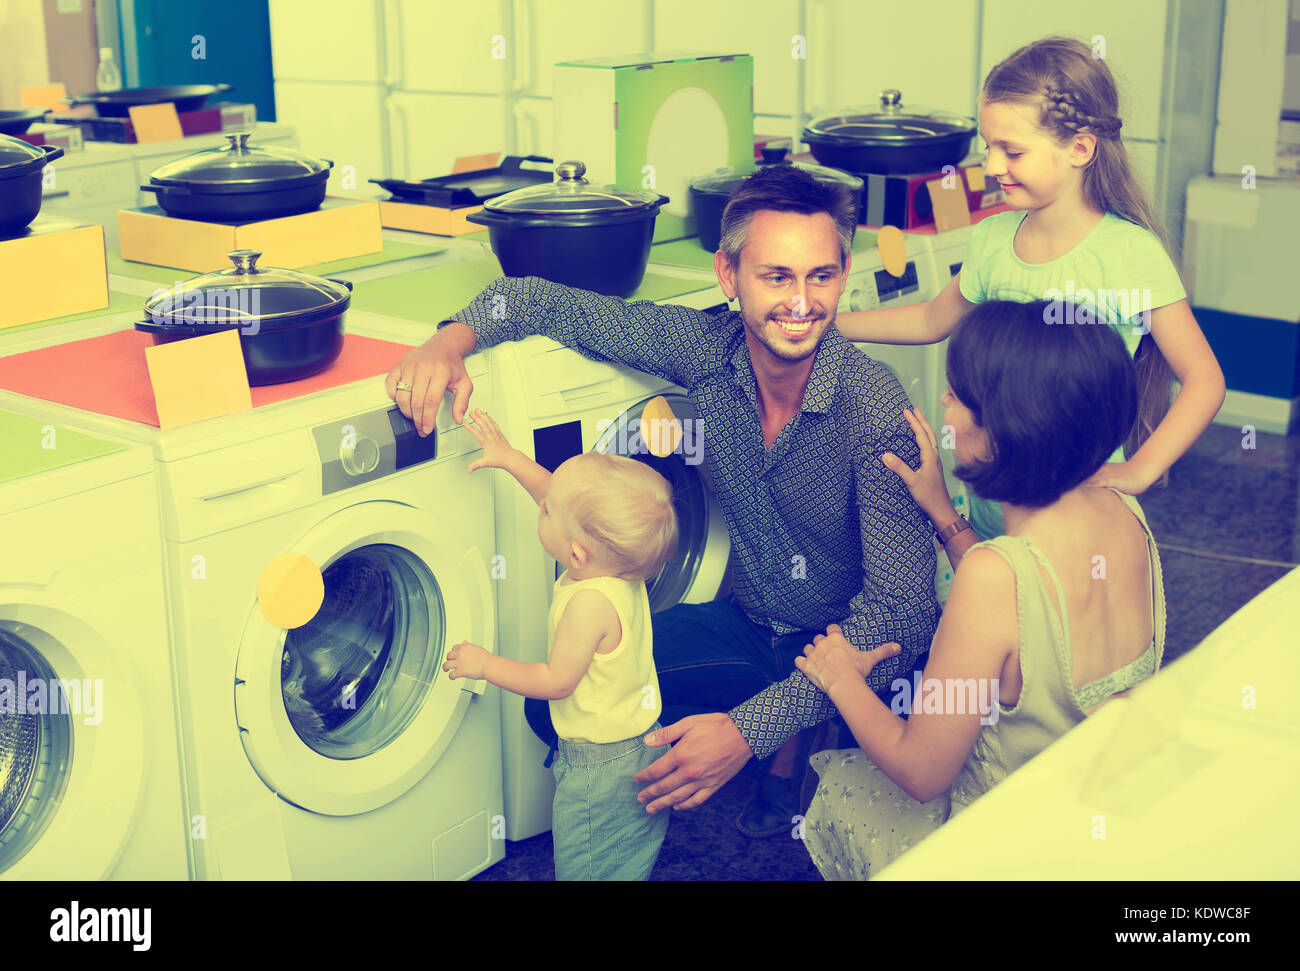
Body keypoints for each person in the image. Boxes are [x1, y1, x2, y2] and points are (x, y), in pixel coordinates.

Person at [386, 164, 940, 836]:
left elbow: (901, 616)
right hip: (751, 622)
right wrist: (448, 342)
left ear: (844, 271)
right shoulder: (702, 348)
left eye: (820, 276)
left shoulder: (872, 405)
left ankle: (794, 732)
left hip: (847, 645)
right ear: (729, 275)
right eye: (776, 277)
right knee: (554, 712)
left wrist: (745, 730)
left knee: (771, 715)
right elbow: (535, 300)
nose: (801, 302)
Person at [798, 299, 1167, 879]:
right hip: (1092, 829)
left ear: (1003, 431)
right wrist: (942, 510)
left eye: (959, 394)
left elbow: (922, 772)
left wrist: (841, 677)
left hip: (1004, 847)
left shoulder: (991, 575)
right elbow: (1036, 615)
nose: (944, 403)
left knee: (838, 790)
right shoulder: (1124, 511)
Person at [834, 35, 1225, 540]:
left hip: (1080, 511)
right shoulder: (993, 238)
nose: (992, 166)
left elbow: (1204, 380)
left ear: (1080, 149)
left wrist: (1139, 471)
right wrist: (826, 323)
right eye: (988, 146)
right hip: (994, 506)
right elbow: (932, 319)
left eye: (1011, 151)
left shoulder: (1130, 256)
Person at [443, 411, 677, 879]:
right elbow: (560, 497)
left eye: (546, 511)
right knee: (626, 844)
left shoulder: (588, 604)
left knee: (586, 857)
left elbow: (556, 680)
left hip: (599, 763)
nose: (542, 505)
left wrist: (485, 664)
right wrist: (510, 459)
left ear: (575, 553)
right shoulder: (621, 565)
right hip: (641, 739)